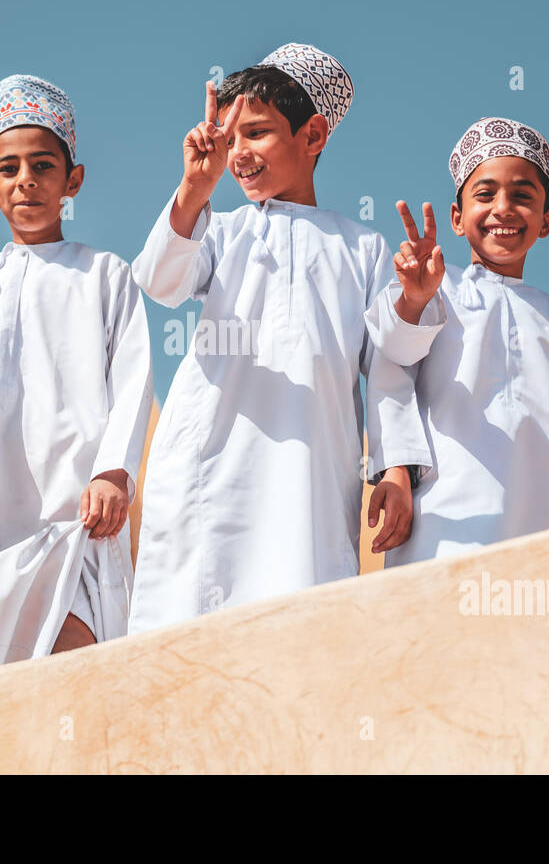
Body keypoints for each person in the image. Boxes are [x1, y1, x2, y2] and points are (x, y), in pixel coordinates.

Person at [128, 43, 431, 633]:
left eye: (258, 134)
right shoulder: (222, 230)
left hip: (312, 473)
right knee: (190, 632)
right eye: (230, 137)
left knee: (300, 627)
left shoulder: (361, 247)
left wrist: (394, 469)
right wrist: (194, 187)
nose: (238, 154)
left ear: (313, 135)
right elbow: (161, 280)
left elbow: (392, 363)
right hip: (211, 460)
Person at [0, 74, 153, 671]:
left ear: (74, 180)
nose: (27, 181)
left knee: (74, 657)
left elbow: (134, 383)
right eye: (9, 169)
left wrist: (114, 471)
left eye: (43, 165)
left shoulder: (106, 277)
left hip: (76, 518)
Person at [366, 116, 549, 564]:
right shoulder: (435, 289)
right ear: (457, 218)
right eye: (485, 193)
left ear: (546, 220)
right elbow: (391, 357)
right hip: (437, 541)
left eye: (522, 196)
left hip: (536, 552)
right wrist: (393, 471)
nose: (504, 208)